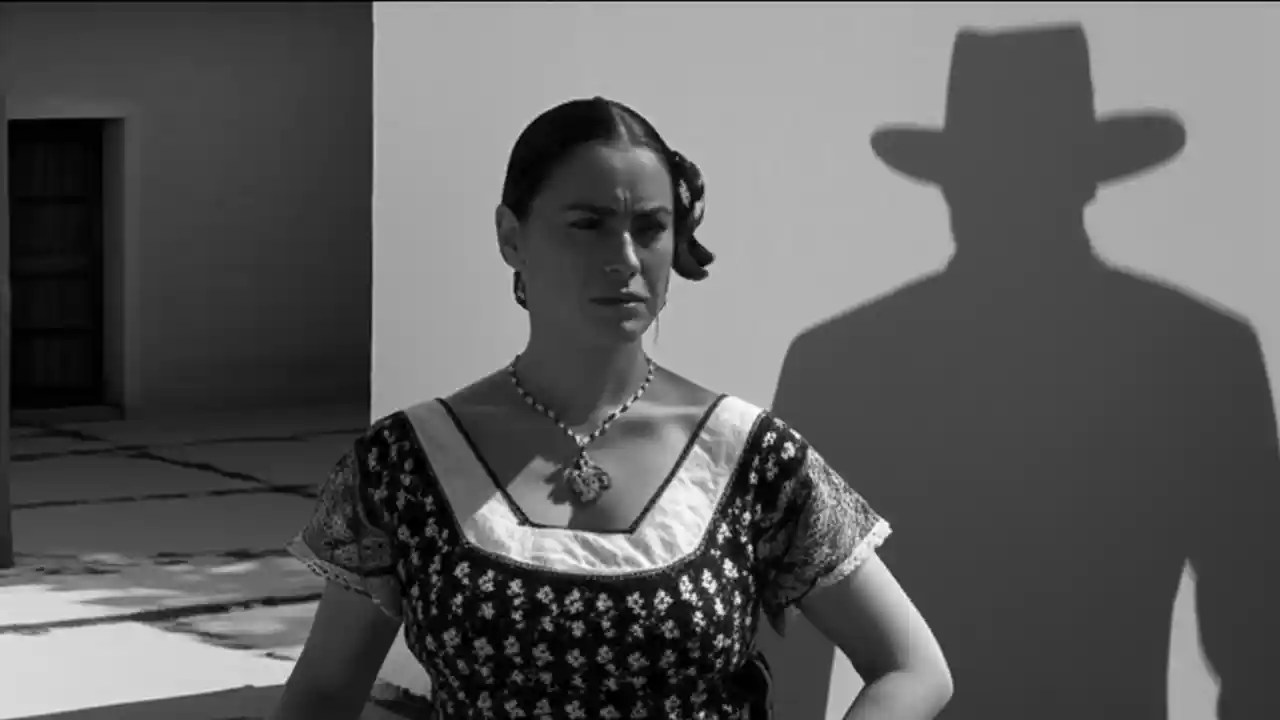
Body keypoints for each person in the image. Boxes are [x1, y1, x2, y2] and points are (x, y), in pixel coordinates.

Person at [270, 96, 953, 720]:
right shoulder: (403, 464)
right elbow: (325, 693)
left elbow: (912, 667)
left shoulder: (750, 457)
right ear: (512, 236)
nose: (624, 258)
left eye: (650, 228)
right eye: (588, 225)